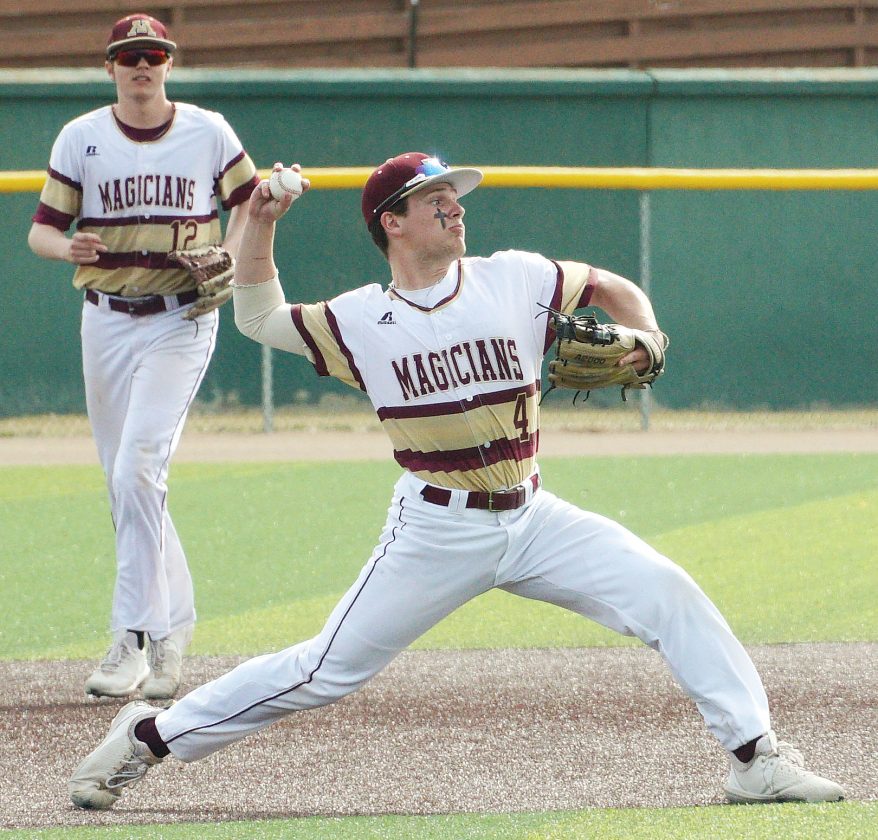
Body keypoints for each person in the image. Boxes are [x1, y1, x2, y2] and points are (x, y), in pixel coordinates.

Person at [68, 153, 843, 809]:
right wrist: (261, 219)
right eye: (431, 200)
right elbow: (257, 316)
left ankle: (755, 758)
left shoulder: (516, 278)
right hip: (436, 528)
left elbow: (608, 286)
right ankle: (147, 734)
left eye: (454, 197)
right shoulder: (360, 321)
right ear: (391, 226)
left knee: (669, 592)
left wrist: (645, 336)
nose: (453, 208)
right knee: (322, 670)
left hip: (534, 515)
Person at [28, 13, 259, 701]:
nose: (142, 66)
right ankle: (174, 629)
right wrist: (65, 248)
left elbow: (247, 202)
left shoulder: (207, 130)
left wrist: (234, 248)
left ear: (168, 63)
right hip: (104, 320)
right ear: (110, 67)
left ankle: (133, 638)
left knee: (137, 470)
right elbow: (42, 231)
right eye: (130, 56)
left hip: (179, 319)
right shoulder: (83, 137)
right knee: (126, 484)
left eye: (153, 55)